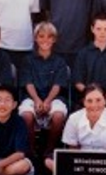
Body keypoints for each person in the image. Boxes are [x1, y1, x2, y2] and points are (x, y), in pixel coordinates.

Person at [45, 84, 106, 174]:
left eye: (98, 100)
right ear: (83, 102)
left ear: (105, 100)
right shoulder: (74, 118)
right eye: (89, 101)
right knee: (49, 162)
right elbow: (72, 149)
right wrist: (84, 167)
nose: (94, 105)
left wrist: (102, 167)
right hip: (81, 161)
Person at [19, 22, 71, 165]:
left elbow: (57, 85)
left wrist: (47, 101)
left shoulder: (60, 61)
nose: (45, 40)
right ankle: (30, 152)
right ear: (35, 38)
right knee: (26, 116)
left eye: (49, 37)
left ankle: (49, 150)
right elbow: (28, 83)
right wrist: (36, 100)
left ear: (54, 39)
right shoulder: (28, 60)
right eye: (41, 36)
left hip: (53, 97)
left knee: (59, 115)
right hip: (32, 96)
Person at [73, 13, 106, 110]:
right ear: (92, 29)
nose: (102, 32)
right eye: (98, 29)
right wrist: (91, 94)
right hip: (88, 96)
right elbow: (77, 81)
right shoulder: (83, 53)